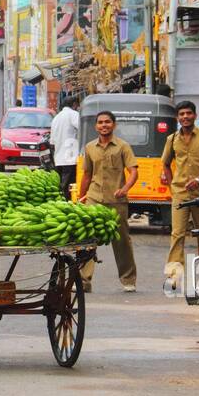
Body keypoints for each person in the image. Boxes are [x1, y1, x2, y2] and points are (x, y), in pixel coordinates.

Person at [77, 111, 139, 292]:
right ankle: (84, 280)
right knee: (87, 238)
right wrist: (81, 198)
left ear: (114, 125)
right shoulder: (89, 147)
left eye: (107, 122)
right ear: (96, 126)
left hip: (116, 201)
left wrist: (125, 188)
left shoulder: (123, 146)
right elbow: (87, 175)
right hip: (94, 199)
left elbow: (133, 171)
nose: (104, 125)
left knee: (121, 241)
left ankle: (128, 279)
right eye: (100, 122)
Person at [160, 100, 199, 288]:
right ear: (178, 117)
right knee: (177, 234)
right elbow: (165, 163)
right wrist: (173, 187)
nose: (185, 117)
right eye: (182, 114)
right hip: (180, 194)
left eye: (188, 113)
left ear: (195, 115)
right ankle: (175, 275)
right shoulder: (172, 139)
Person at [49, 96, 81, 200]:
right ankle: (68, 202)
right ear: (75, 104)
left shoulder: (56, 118)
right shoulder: (74, 115)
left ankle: (62, 200)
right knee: (69, 184)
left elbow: (52, 141)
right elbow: (82, 128)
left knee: (62, 183)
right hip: (70, 156)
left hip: (59, 157)